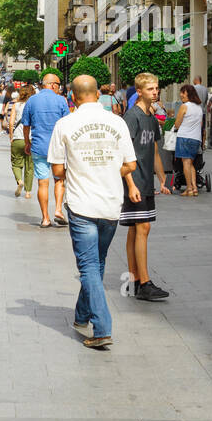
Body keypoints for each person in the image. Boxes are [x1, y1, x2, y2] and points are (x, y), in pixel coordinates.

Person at [46, 75, 140, 349]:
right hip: (111, 203)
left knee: (88, 267)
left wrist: (82, 169)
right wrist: (109, 170)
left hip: (81, 204)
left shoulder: (65, 124)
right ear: (98, 94)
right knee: (96, 264)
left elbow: (58, 171)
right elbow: (131, 164)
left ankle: (102, 327)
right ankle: (81, 315)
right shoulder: (117, 122)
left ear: (72, 98)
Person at [121, 73, 171, 301]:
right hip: (135, 181)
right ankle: (145, 282)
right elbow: (123, 154)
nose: (155, 92)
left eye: (157, 88)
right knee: (143, 228)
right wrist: (130, 184)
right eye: (150, 89)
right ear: (139, 91)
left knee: (136, 229)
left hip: (146, 182)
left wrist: (162, 178)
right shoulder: (132, 116)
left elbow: (154, 150)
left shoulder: (151, 117)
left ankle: (134, 280)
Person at [19, 73, 70, 227]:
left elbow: (26, 125)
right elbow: (67, 124)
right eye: (59, 85)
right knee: (59, 180)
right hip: (58, 148)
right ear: (53, 85)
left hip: (38, 146)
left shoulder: (32, 101)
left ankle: (45, 218)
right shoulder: (61, 100)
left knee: (43, 183)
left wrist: (27, 142)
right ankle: (59, 210)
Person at [8, 84, 35, 198]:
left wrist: (11, 136)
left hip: (18, 137)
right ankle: (28, 192)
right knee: (29, 166)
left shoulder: (16, 105)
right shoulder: (34, 106)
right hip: (31, 138)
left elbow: (11, 122)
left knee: (16, 164)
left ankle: (19, 181)